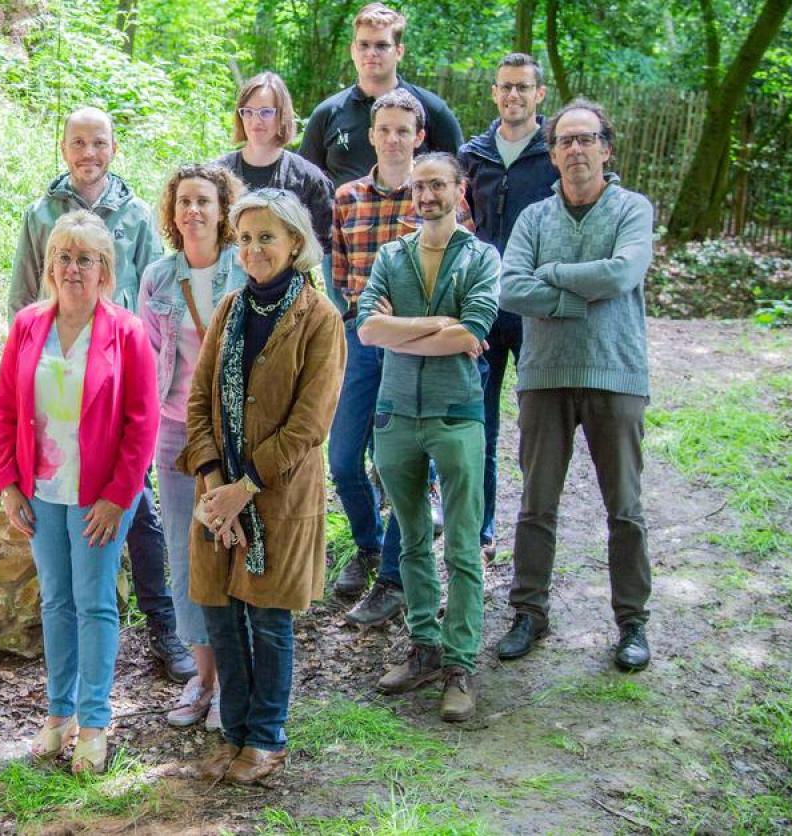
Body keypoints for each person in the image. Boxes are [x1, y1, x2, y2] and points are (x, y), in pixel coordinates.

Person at [7, 107, 193, 683]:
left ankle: (164, 627)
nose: (89, 153)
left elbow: (148, 300)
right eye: (78, 143)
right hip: (60, 391)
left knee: (138, 513)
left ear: (114, 149)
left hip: (118, 386)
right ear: (63, 148)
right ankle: (66, 663)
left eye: (99, 143)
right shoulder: (43, 215)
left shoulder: (135, 216)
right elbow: (22, 296)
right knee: (64, 541)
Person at [179, 189, 344, 784]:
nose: (253, 249)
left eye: (266, 237)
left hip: (277, 496)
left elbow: (310, 423)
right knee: (222, 613)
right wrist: (214, 480)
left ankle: (267, 739)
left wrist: (244, 486)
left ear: (296, 243)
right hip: (218, 494)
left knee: (268, 618)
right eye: (245, 238)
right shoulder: (229, 310)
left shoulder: (320, 319)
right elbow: (198, 403)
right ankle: (235, 730)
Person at [0, 210, 161, 773]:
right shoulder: (27, 326)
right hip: (40, 488)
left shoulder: (127, 331)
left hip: (100, 496)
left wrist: (119, 496)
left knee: (93, 604)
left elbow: (143, 422)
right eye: (63, 257)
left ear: (105, 271)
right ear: (49, 267)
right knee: (56, 602)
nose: (72, 268)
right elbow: (5, 410)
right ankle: (57, 715)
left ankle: (93, 723)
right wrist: (8, 481)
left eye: (85, 259)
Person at [495, 99, 655, 673]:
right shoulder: (535, 218)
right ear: (553, 152)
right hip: (544, 377)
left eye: (587, 139)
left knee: (626, 508)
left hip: (616, 373)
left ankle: (632, 622)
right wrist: (577, 297)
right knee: (536, 505)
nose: (576, 150)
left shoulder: (632, 209)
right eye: (565, 141)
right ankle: (529, 612)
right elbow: (510, 288)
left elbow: (622, 272)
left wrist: (554, 276)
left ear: (606, 149)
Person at [356, 153, 499, 722]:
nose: (427, 195)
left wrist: (407, 332)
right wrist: (438, 327)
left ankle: (460, 663)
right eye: (419, 187)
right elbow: (368, 328)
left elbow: (477, 328)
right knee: (411, 536)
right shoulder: (392, 256)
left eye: (438, 184)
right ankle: (424, 646)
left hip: (457, 413)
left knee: (463, 546)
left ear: (459, 192)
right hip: (396, 416)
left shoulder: (481, 256)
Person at [327, 90, 471, 626]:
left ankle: (391, 578)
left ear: (419, 137)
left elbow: (463, 266)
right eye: (383, 129)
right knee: (343, 460)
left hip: (418, 354)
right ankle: (367, 544)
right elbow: (340, 275)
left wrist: (418, 325)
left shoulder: (436, 193)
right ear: (371, 135)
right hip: (365, 345)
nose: (392, 138)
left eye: (402, 130)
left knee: (404, 466)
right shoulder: (347, 198)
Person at [138, 164, 249, 731]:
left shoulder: (245, 271)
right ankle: (201, 677)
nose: (194, 212)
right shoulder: (158, 278)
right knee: (185, 556)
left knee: (234, 549)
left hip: (234, 434)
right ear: (172, 211)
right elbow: (144, 359)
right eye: (184, 202)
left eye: (204, 201)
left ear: (222, 209)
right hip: (176, 434)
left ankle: (236, 679)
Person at [458, 52, 559, 561]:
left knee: (539, 427)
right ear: (494, 93)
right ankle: (481, 529)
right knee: (479, 423)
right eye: (505, 87)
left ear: (539, 94)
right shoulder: (472, 155)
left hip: (536, 309)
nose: (514, 95)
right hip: (482, 307)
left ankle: (537, 531)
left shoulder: (555, 153)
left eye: (523, 87)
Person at [298, 3, 463, 188]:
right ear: (353, 50)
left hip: (414, 215)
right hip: (342, 215)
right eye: (364, 45)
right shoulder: (327, 114)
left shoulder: (432, 110)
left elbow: (458, 180)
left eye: (382, 45)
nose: (371, 53)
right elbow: (304, 183)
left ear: (399, 51)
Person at [214, 72, 334, 253]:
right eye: (248, 112)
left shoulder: (308, 179)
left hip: (288, 279)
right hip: (227, 278)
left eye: (266, 112)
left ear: (282, 116)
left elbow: (325, 248)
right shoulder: (218, 175)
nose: (256, 120)